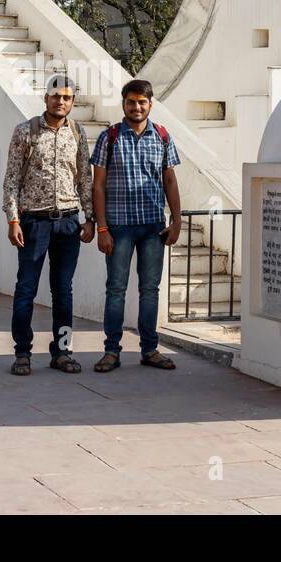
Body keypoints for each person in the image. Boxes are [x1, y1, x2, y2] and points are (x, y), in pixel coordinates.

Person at [1, 74, 95, 376]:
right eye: (56, 96)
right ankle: (22, 353)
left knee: (63, 291)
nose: (61, 102)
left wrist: (90, 219)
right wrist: (13, 219)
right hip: (33, 223)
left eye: (67, 97)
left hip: (68, 222)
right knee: (26, 288)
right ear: (46, 98)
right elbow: (12, 179)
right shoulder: (25, 132)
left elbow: (85, 180)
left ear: (72, 102)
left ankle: (63, 351)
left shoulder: (78, 134)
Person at [90, 78, 180, 372]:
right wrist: (102, 228)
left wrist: (176, 220)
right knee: (116, 289)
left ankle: (150, 349)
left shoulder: (163, 136)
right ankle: (112, 351)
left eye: (142, 102)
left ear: (150, 104)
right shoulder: (110, 137)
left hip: (153, 226)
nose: (137, 107)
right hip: (119, 226)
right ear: (124, 104)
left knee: (150, 290)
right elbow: (98, 185)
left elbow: (169, 180)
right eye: (131, 102)